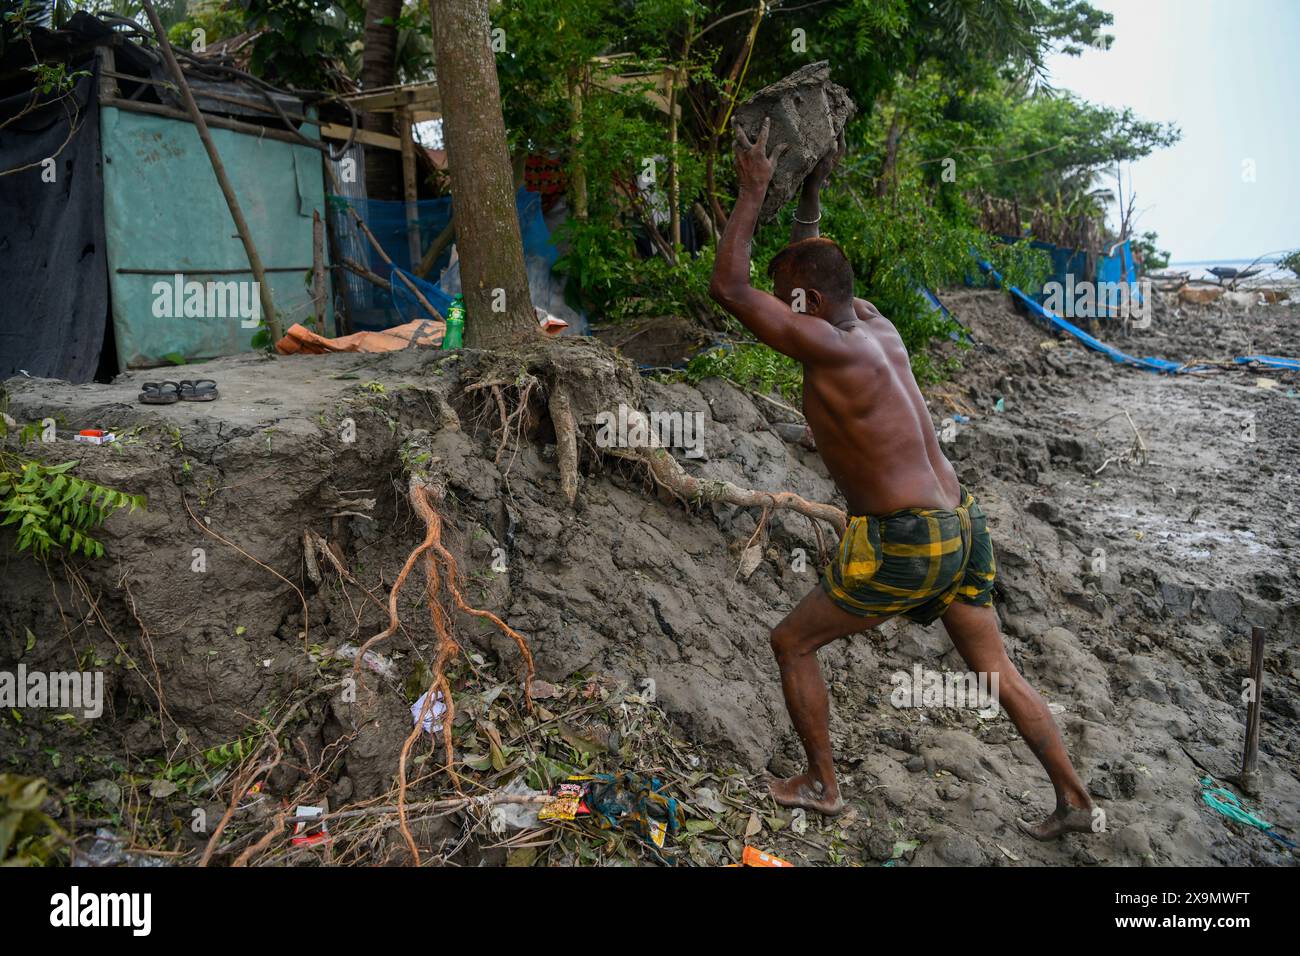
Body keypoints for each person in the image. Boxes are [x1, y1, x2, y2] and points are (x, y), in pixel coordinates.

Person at [707, 117, 1095, 840]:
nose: (780, 307)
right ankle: (1074, 799)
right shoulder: (878, 324)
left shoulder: (825, 347)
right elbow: (812, 267)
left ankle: (822, 785)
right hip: (963, 524)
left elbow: (728, 285)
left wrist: (754, 188)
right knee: (995, 668)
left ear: (811, 309)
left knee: (790, 643)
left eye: (787, 299)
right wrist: (812, 195)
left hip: (910, 539)